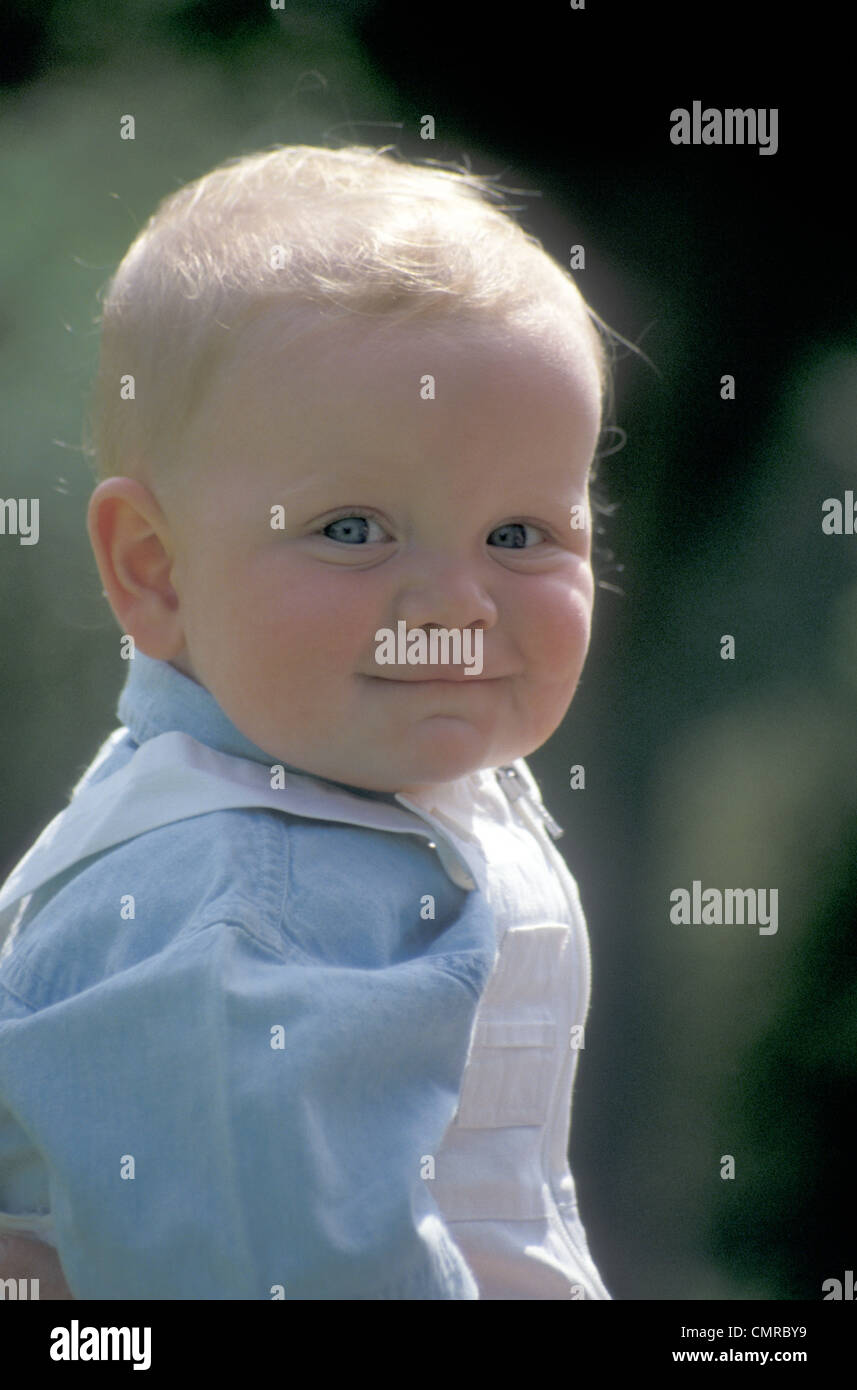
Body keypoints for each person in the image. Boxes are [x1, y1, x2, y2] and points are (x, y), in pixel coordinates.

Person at [0, 143, 613, 1299]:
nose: (458, 601)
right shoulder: (242, 905)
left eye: (520, 535)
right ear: (158, 572)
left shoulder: (352, 780)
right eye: (351, 529)